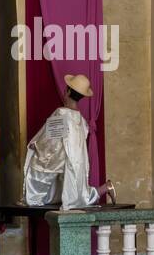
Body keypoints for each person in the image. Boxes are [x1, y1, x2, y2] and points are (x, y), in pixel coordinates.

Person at [22, 74, 114, 209]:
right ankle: (106, 187)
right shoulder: (81, 119)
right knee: (78, 194)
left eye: (66, 89)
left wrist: (36, 144)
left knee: (38, 161)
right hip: (77, 161)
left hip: (66, 158)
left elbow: (51, 142)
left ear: (69, 92)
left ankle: (33, 198)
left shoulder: (61, 113)